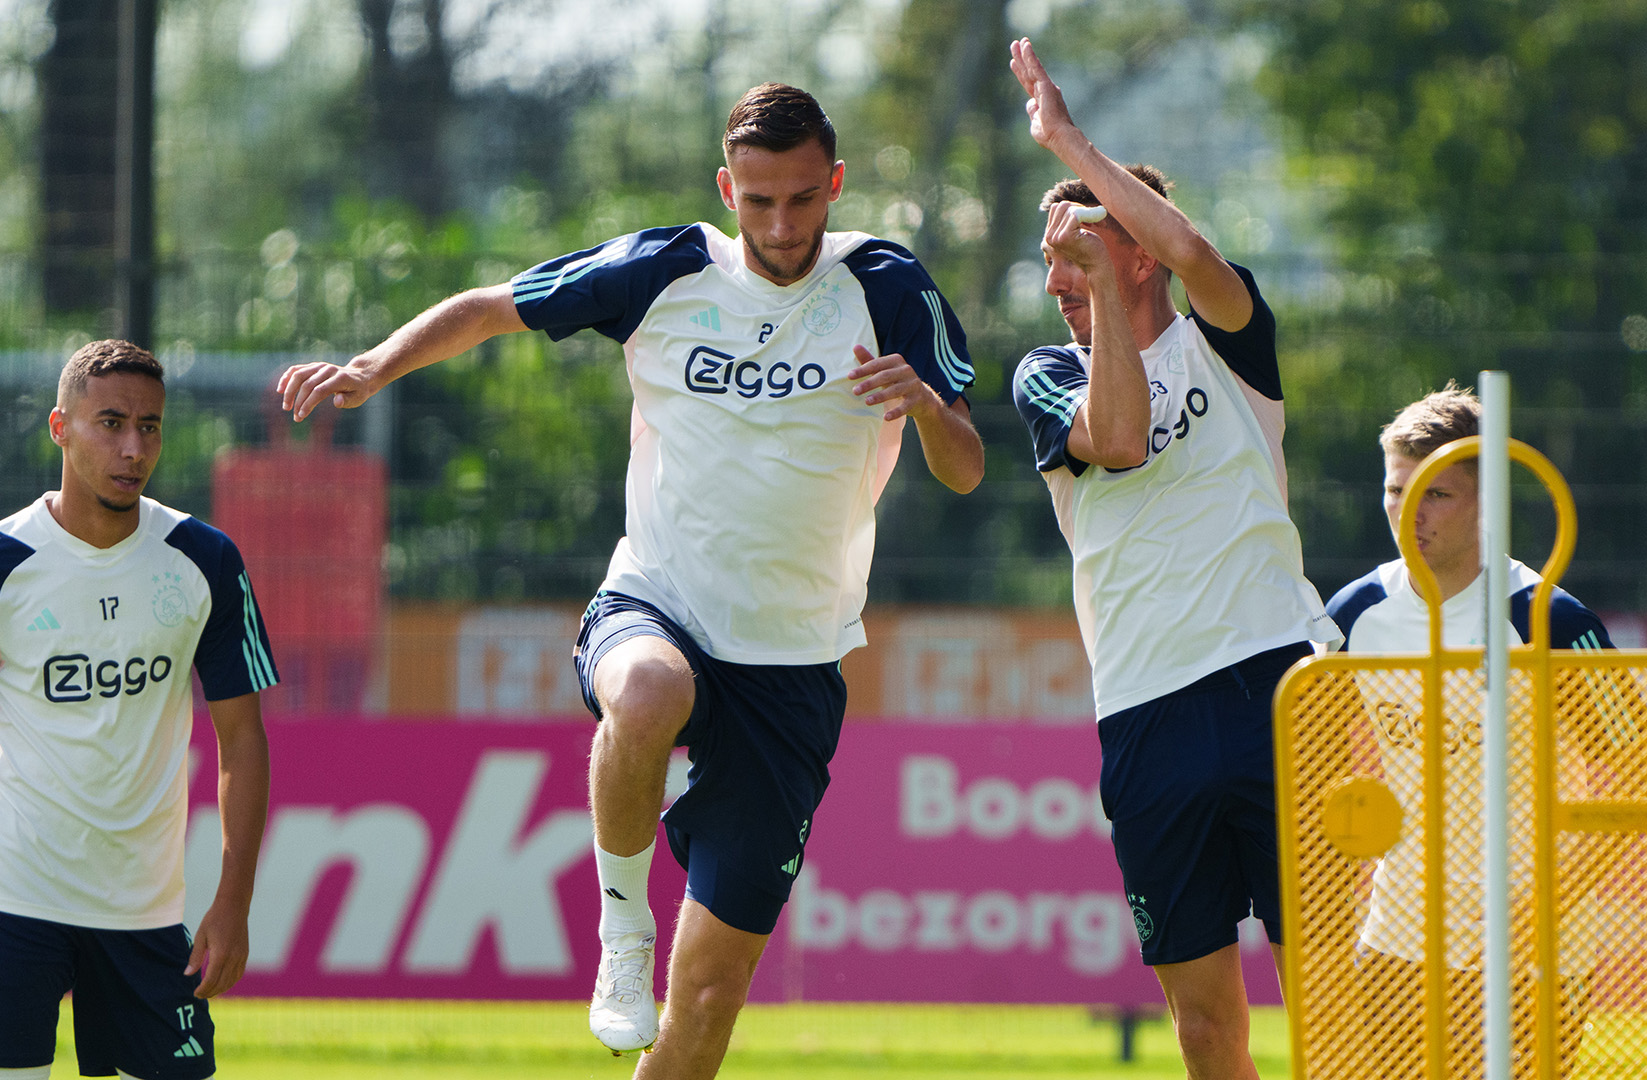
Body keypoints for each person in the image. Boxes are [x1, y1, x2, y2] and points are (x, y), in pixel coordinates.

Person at [279, 84, 982, 1077]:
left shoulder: (888, 284)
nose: (781, 226)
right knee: (649, 691)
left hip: (794, 664)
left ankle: (662, 980)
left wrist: (928, 406)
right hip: (655, 602)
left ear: (834, 185)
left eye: (802, 201)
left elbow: (968, 466)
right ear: (726, 188)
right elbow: (490, 308)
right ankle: (620, 935)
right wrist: (371, 367)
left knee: (701, 1013)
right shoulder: (665, 268)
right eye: (759, 201)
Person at [1006, 38, 1339, 1078]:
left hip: (1281, 682)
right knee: (1204, 1023)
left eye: (1082, 252)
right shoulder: (1046, 375)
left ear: (1136, 249)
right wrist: (1102, 296)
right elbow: (1122, 438)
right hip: (1146, 709)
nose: (1060, 276)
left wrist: (1069, 142)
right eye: (1055, 258)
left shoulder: (1225, 337)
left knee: (1330, 993)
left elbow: (1196, 256)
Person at [0, 340, 277, 1080]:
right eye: (111, 423)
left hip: (146, 914)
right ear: (59, 428)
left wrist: (233, 901)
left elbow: (243, 742)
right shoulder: (5, 562)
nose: (133, 448)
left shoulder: (205, 559)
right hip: (12, 902)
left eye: (149, 427)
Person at [1322, 386, 1613, 1076]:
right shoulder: (1355, 613)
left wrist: (1545, 902)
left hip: (1536, 949)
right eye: (1397, 489)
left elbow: (1646, 779)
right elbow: (1314, 763)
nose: (1408, 512)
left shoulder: (1552, 619)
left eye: (1436, 494)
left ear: (1488, 503)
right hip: (1398, 937)